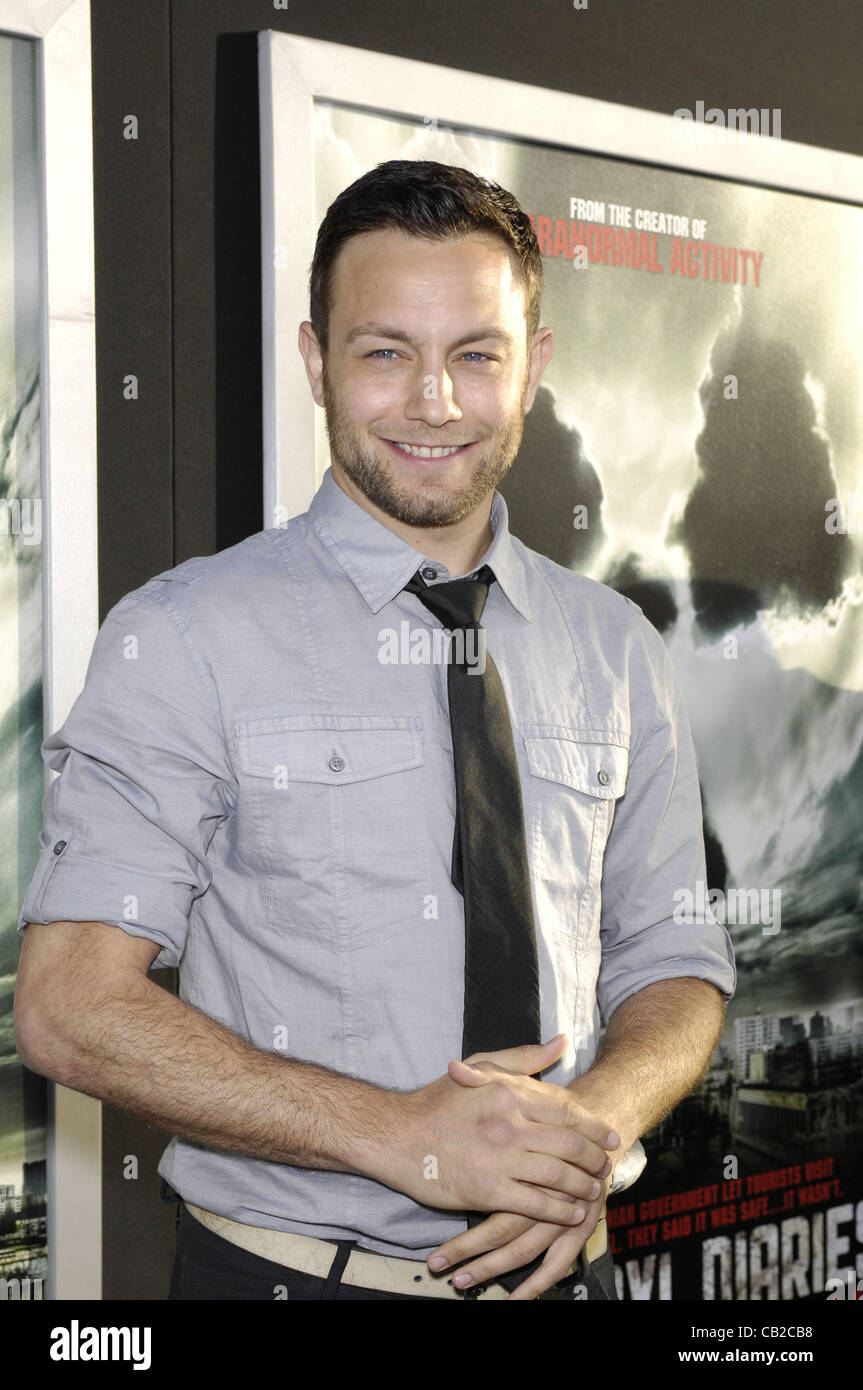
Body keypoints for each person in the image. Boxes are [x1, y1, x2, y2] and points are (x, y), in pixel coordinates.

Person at [15, 159, 735, 1301]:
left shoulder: (614, 646)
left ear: (532, 368)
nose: (432, 402)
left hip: (577, 1272)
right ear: (315, 361)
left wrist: (581, 1131)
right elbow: (66, 1005)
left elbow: (676, 959)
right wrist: (400, 1135)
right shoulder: (184, 635)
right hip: (296, 1281)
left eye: (474, 355)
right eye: (384, 352)